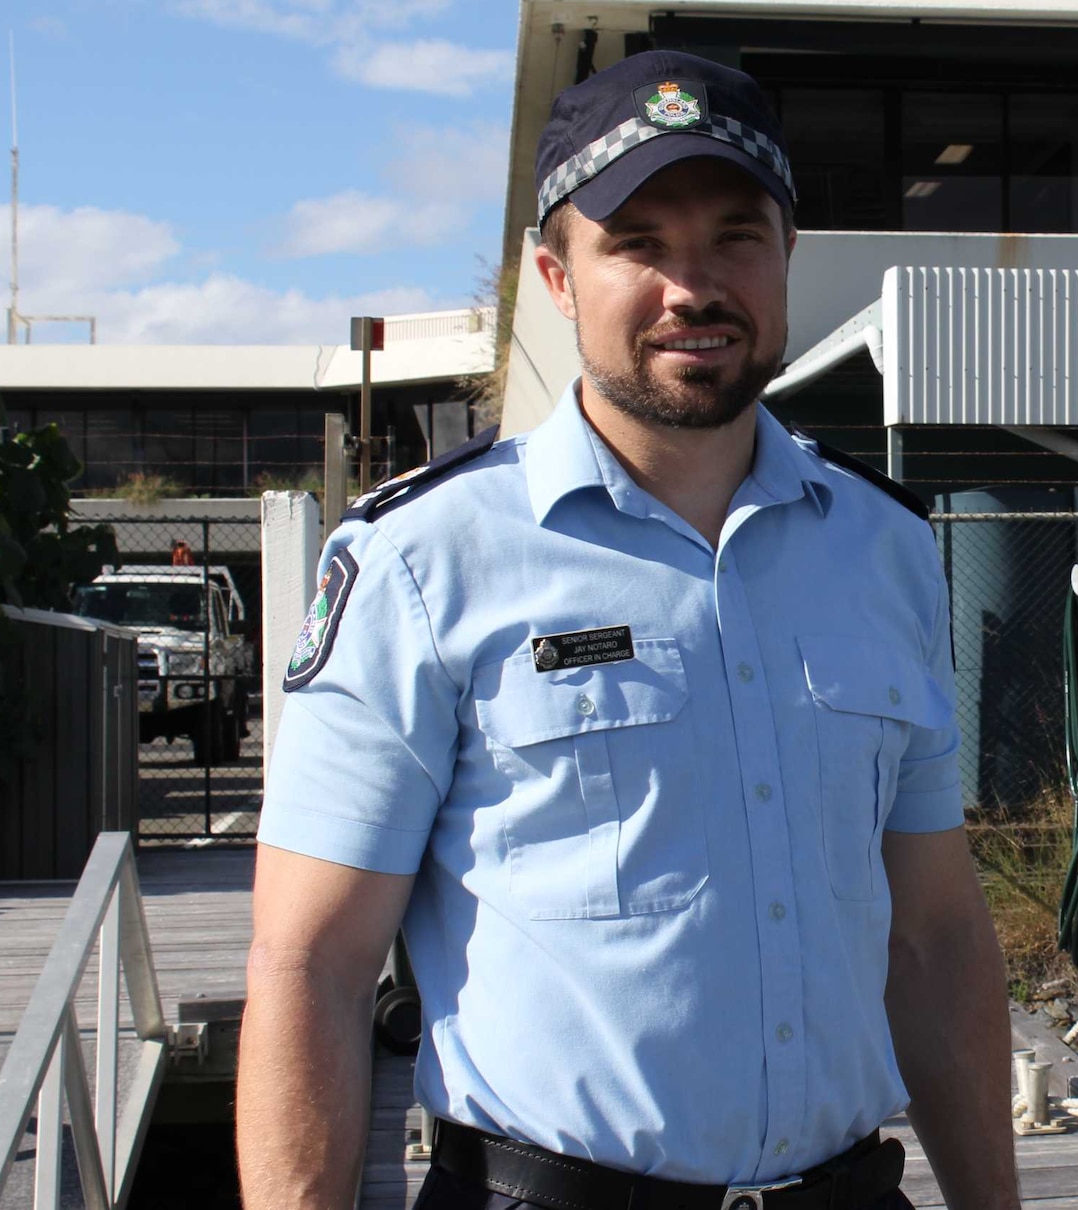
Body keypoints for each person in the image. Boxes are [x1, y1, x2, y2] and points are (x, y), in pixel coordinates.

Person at [236, 50, 1019, 1210]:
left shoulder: (886, 549)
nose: (691, 286)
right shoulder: (421, 561)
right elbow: (314, 964)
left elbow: (937, 938)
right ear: (557, 278)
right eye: (638, 243)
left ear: (786, 257)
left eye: (734, 236)